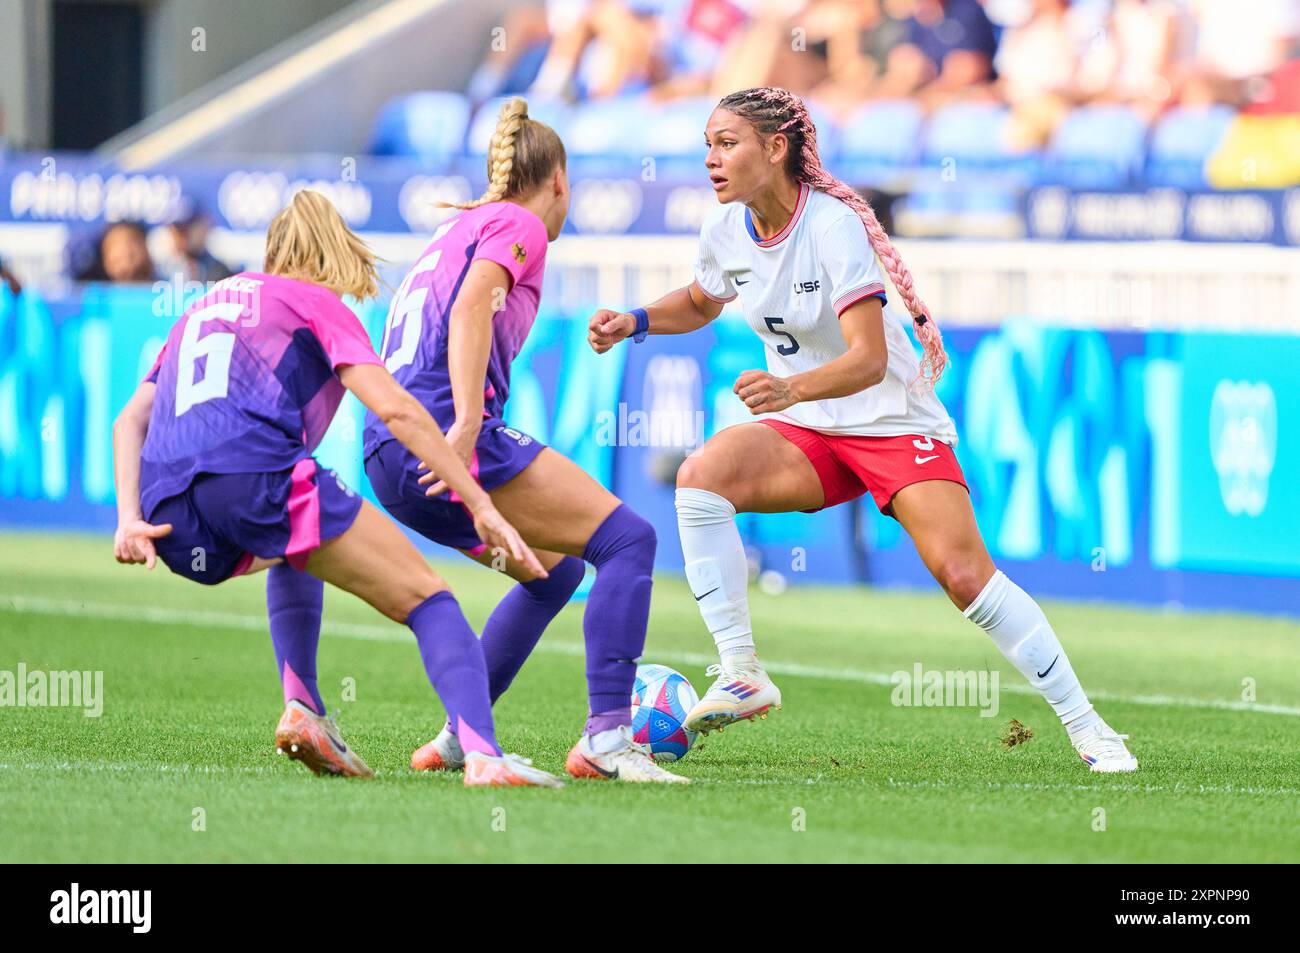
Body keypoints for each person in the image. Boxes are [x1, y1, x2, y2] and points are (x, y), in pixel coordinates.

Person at [586, 86, 1139, 773]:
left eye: (727, 144)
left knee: (965, 575)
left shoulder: (831, 227)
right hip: (810, 425)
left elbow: (868, 359)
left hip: (888, 418)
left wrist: (787, 388)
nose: (711, 160)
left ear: (776, 147)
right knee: (702, 477)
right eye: (708, 145)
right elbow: (701, 301)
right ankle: (742, 671)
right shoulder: (726, 228)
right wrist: (633, 320)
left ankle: (1090, 729)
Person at [111, 189, 562, 788]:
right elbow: (397, 411)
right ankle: (482, 755)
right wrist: (479, 503)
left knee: (296, 547)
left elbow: (129, 420)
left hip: (167, 514)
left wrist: (126, 517)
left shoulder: (205, 304)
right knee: (430, 600)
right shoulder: (313, 301)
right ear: (334, 255)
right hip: (254, 475)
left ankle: (303, 708)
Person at [363, 97, 687, 784]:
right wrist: (468, 424)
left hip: (387, 449)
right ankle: (607, 736)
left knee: (555, 569)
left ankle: (464, 733)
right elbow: (474, 303)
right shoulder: (519, 223)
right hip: (442, 433)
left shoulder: (460, 228)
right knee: (628, 541)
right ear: (560, 181)